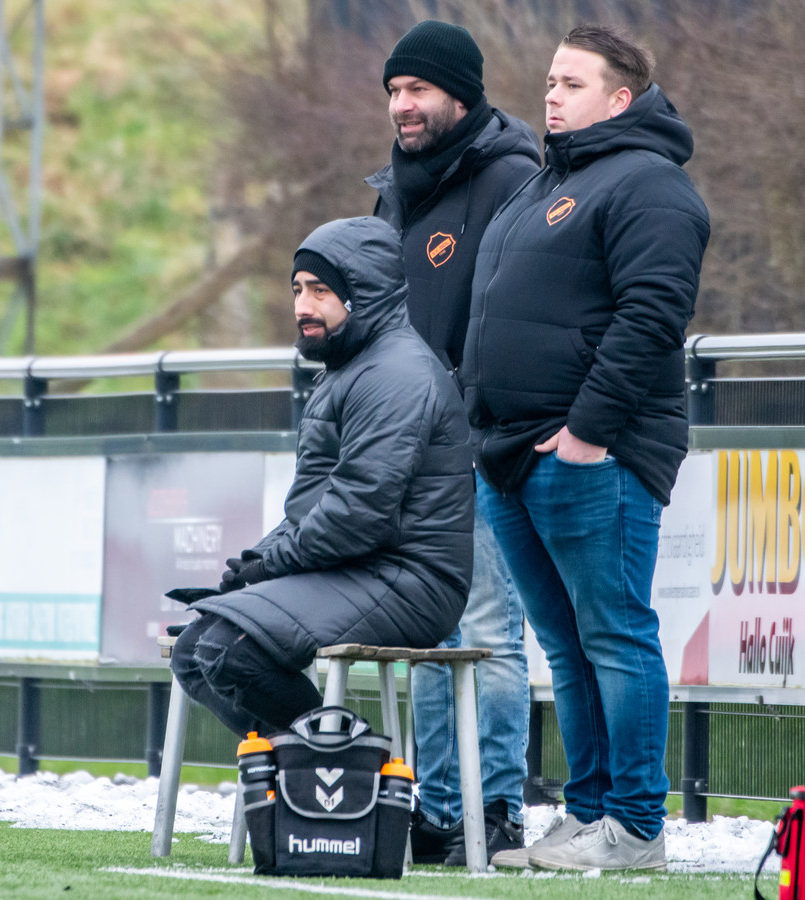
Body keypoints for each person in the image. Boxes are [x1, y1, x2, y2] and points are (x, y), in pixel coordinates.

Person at [460, 24, 710, 871]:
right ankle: (590, 811)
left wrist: (586, 437)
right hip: (508, 454)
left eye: (572, 83)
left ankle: (636, 826)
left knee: (613, 635)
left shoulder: (650, 186)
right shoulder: (542, 183)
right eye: (551, 81)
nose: (552, 95)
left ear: (619, 98)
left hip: (590, 455)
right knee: (565, 645)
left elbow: (650, 321)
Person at [170, 216, 474, 745]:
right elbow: (309, 511)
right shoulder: (349, 368)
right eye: (297, 289)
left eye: (320, 291)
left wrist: (270, 566)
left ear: (364, 294)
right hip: (355, 568)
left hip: (408, 578)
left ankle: (359, 777)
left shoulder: (395, 375)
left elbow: (356, 513)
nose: (302, 307)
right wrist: (249, 569)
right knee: (195, 651)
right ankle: (304, 796)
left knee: (229, 648)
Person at [366, 19, 540, 867]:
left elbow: (518, 317)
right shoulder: (396, 187)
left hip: (478, 448)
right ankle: (440, 809)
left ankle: (496, 807)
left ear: (460, 95)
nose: (402, 106)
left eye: (418, 91)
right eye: (394, 91)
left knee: (488, 633)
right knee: (431, 635)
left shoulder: (512, 176)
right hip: (404, 451)